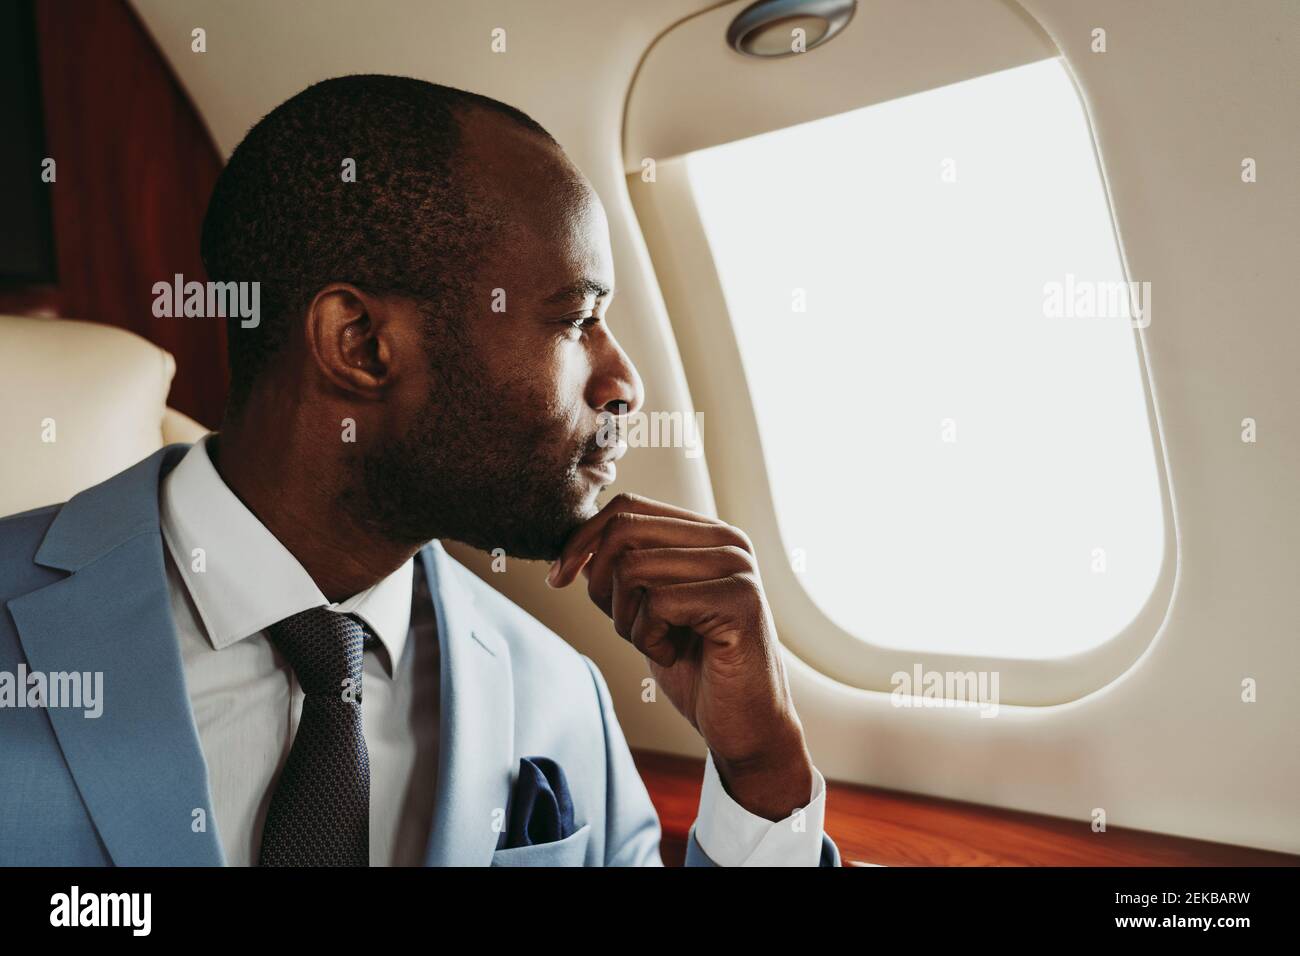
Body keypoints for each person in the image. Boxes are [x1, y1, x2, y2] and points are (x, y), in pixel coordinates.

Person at [0, 75, 838, 866]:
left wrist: (762, 768)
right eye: (577, 318)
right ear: (360, 345)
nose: (624, 384)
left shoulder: (561, 693)